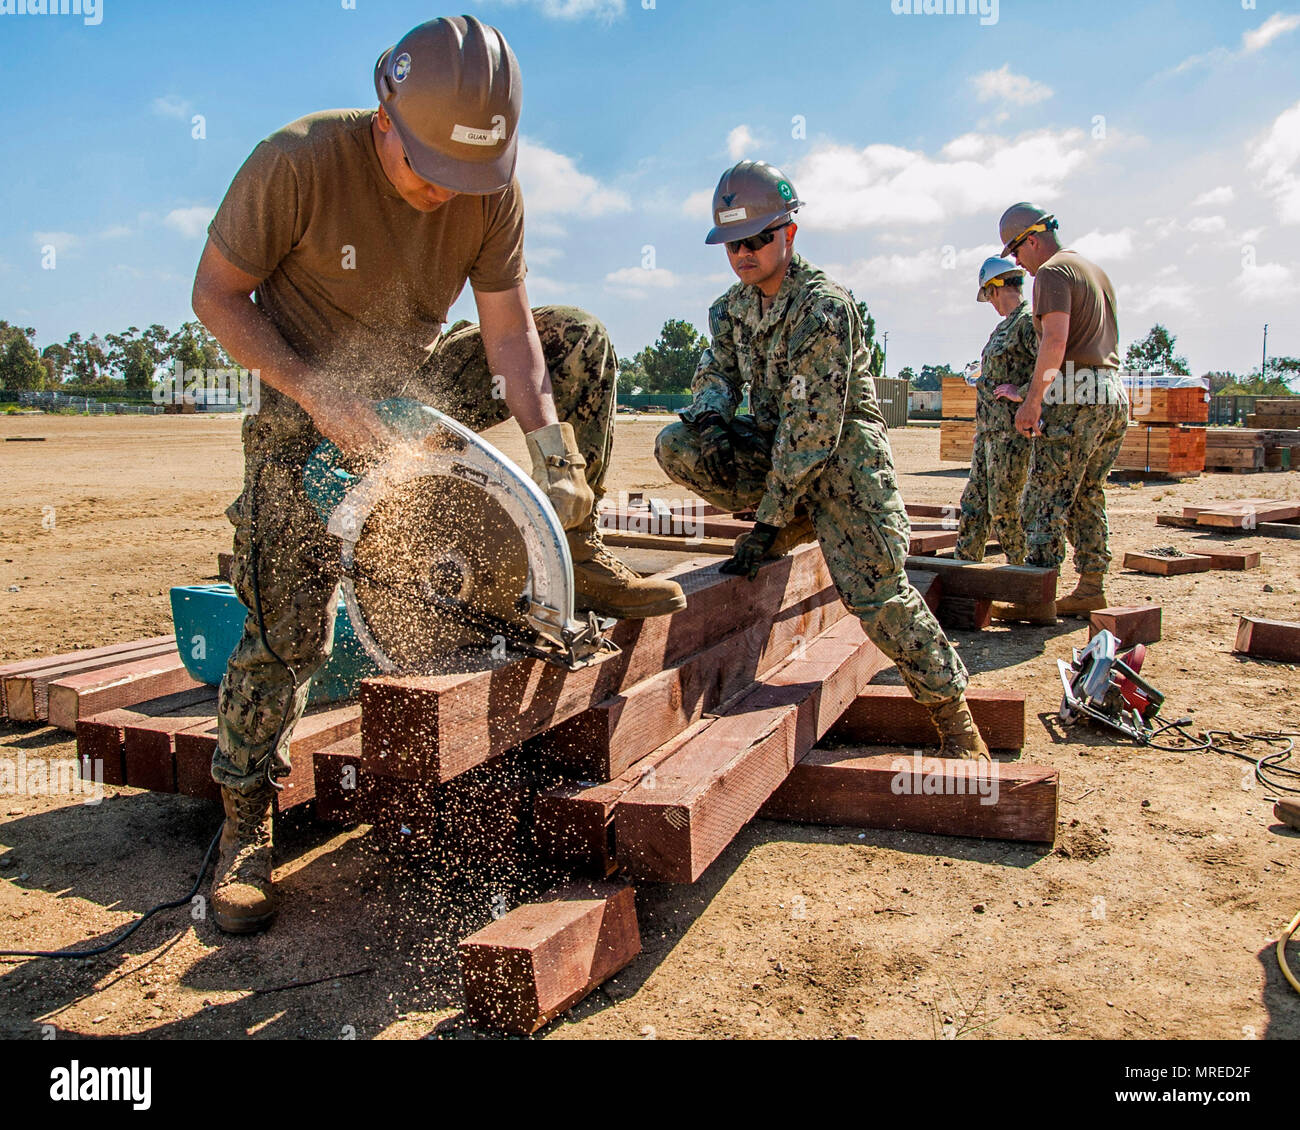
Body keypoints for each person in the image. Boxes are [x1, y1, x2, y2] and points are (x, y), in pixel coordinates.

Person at [190, 16, 685, 934]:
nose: (444, 193)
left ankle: (583, 548)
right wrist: (316, 392)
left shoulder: (488, 190)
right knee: (285, 630)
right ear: (385, 115)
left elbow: (510, 334)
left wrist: (556, 459)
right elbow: (214, 295)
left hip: (412, 384)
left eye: (467, 179)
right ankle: (243, 824)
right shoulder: (293, 162)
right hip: (299, 402)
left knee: (579, 336)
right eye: (431, 172)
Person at [655, 161, 989, 762]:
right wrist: (709, 417)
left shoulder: (823, 309)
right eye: (733, 243)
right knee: (676, 444)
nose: (744, 253)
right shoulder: (729, 309)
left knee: (879, 599)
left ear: (789, 233)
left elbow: (813, 432)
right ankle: (794, 521)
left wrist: (766, 524)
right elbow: (717, 371)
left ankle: (955, 721)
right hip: (779, 452)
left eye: (758, 239)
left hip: (843, 466)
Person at [998, 203, 1128, 617]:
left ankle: (1037, 598)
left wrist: (1033, 401)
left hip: (1075, 397)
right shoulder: (1094, 270)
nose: (1019, 263)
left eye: (1016, 252)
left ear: (1032, 239)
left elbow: (1055, 340)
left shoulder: (1053, 271)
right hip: (1109, 394)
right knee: (1085, 493)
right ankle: (1091, 586)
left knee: (1043, 498)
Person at [954, 257, 1036, 569]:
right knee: (974, 506)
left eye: (988, 295)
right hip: (990, 435)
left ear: (998, 287)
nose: (989, 302)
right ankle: (961, 573)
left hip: (1012, 437)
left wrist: (1024, 393)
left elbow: (1051, 365)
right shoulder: (1004, 327)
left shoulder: (1028, 323)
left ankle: (1025, 571)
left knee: (1006, 508)